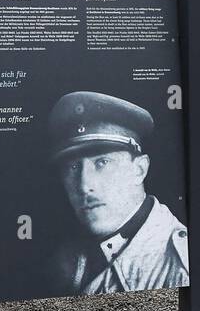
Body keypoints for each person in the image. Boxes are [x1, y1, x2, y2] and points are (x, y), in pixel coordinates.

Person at [48, 91, 189, 295]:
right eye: (73, 168)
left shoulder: (180, 266)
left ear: (139, 169)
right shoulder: (63, 259)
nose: (84, 185)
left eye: (102, 162)